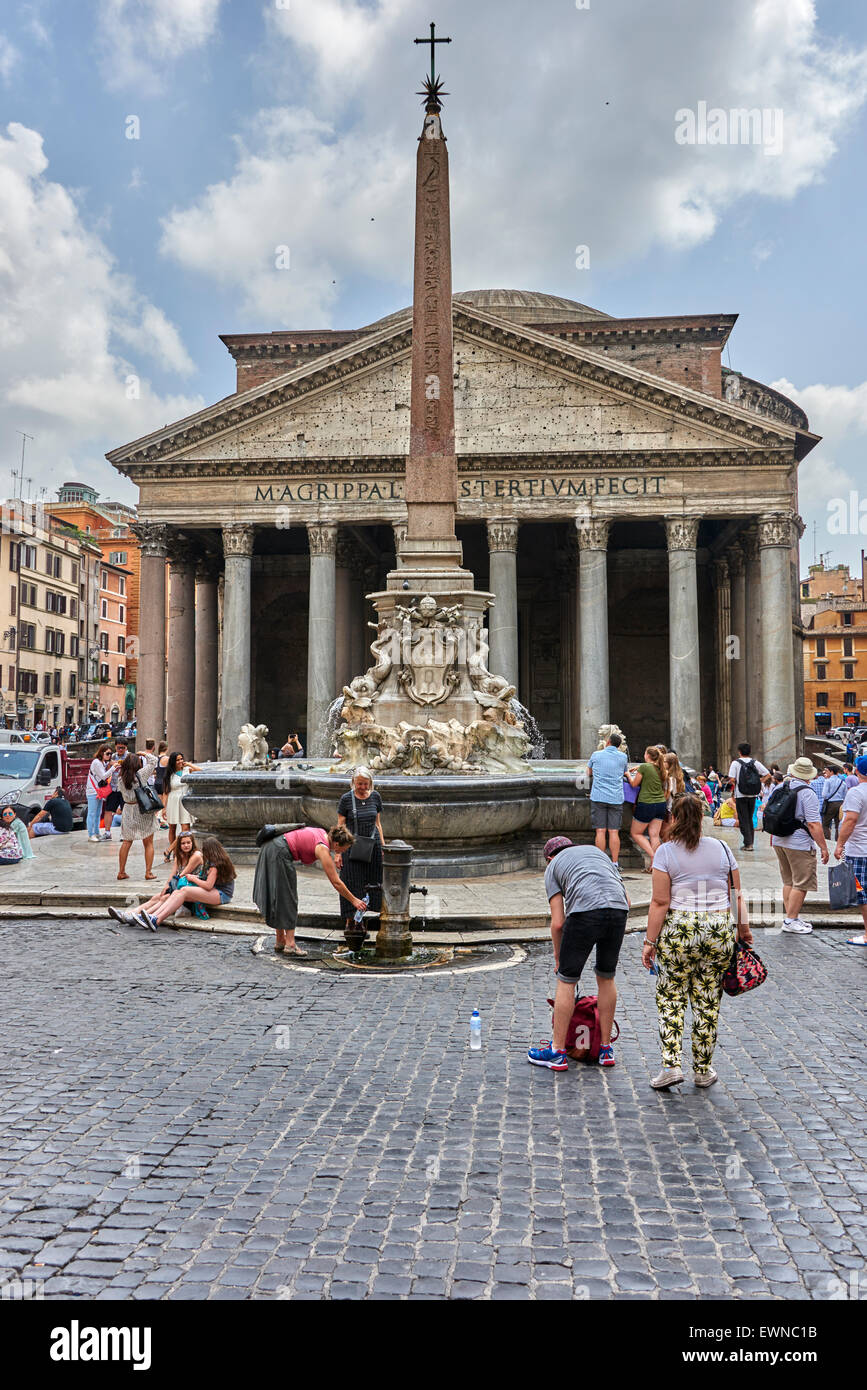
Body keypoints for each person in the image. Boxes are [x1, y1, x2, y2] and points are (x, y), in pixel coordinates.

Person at [642, 793, 752, 1090]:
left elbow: (660, 902)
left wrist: (650, 941)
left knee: (671, 997)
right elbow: (736, 895)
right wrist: (745, 931)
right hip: (718, 929)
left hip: (681, 929)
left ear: (673, 819)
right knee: (707, 1000)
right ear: (703, 818)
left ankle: (671, 1065)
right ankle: (703, 1070)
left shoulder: (665, 853)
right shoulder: (721, 848)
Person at [527, 835, 630, 1072]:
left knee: (567, 980)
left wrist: (558, 956)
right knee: (606, 977)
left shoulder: (553, 866)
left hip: (585, 913)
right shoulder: (598, 854)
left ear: (549, 858)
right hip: (618, 910)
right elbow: (627, 898)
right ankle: (605, 1050)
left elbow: (558, 923)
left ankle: (557, 1052)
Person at [253, 823, 362, 955]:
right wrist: (354, 900)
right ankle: (290, 944)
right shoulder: (323, 849)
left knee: (280, 895)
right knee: (288, 898)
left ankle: (281, 939)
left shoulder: (322, 832)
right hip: (279, 852)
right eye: (344, 849)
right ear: (337, 845)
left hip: (273, 846)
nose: (344, 852)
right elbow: (336, 882)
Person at [767, 756, 829, 934]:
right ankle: (791, 919)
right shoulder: (807, 792)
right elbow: (813, 824)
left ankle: (790, 916)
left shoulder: (781, 786)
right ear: (809, 774)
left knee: (788, 881)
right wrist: (823, 847)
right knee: (801, 883)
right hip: (799, 843)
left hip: (779, 840)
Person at [133, 836, 236, 931]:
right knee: (177, 892)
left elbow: (208, 886)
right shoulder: (213, 861)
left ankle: (157, 920)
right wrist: (196, 877)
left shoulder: (215, 865)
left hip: (222, 894)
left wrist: (193, 878)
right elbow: (208, 881)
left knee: (185, 890)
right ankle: (153, 916)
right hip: (215, 890)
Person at [108, 832, 203, 925]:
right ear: (179, 845)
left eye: (188, 843)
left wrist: (169, 889)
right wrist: (166, 886)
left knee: (165, 897)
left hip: (191, 891)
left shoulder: (196, 856)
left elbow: (181, 875)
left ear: (192, 843)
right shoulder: (179, 856)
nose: (186, 845)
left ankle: (138, 916)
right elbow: (173, 874)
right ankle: (129, 914)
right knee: (157, 897)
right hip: (180, 888)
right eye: (183, 843)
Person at [336, 767, 385, 934]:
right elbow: (340, 826)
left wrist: (383, 846)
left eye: (365, 784)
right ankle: (351, 922)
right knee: (352, 881)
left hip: (373, 845)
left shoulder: (376, 797)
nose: (362, 787)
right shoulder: (346, 799)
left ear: (370, 783)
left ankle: (364, 919)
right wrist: (338, 852)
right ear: (353, 783)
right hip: (351, 846)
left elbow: (378, 824)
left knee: (372, 882)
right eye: (359, 784)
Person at [834, 753, 867, 946]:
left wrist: (839, 844)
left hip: (860, 849)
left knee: (863, 895)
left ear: (857, 771)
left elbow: (850, 820)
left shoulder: (856, 792)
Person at [117, 751, 159, 882]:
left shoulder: (120, 779)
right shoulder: (140, 775)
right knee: (148, 843)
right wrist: (144, 753)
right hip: (142, 809)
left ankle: (121, 871)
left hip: (128, 809)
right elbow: (154, 761)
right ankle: (148, 872)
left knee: (126, 842)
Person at [587, 731, 627, 865]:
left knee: (600, 830)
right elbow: (624, 772)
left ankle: (601, 862)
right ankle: (615, 863)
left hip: (599, 796)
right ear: (618, 745)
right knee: (614, 831)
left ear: (608, 742)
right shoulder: (623, 757)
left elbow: (588, 773)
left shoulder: (596, 755)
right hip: (616, 797)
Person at [626, 746, 668, 870]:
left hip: (646, 804)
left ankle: (653, 856)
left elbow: (634, 784)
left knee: (636, 833)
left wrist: (628, 774)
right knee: (654, 835)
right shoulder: (661, 768)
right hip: (660, 804)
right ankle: (655, 865)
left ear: (647, 756)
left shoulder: (644, 767)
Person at [727, 742, 769, 852]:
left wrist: (738, 783)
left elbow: (731, 778)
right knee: (749, 818)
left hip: (740, 795)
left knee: (743, 819)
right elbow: (767, 774)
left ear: (739, 752)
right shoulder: (755, 763)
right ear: (750, 751)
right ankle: (750, 842)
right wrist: (759, 783)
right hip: (753, 794)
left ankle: (748, 843)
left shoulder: (735, 763)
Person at [163, 752, 199, 853]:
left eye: (181, 759)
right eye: (177, 760)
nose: (180, 761)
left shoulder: (188, 770)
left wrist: (189, 764)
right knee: (172, 828)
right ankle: (175, 852)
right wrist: (164, 808)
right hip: (172, 801)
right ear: (173, 762)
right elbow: (165, 792)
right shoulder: (169, 774)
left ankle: (169, 850)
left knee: (185, 829)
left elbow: (202, 771)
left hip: (185, 801)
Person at [85, 743, 112, 842]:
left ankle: (96, 833)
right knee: (92, 813)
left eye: (110, 754)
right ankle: (91, 834)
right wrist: (113, 768)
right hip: (93, 791)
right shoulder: (96, 762)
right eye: (107, 753)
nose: (109, 756)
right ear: (102, 753)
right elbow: (103, 776)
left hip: (98, 791)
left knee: (97, 813)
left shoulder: (102, 762)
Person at [820, 766, 848, 843]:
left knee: (825, 824)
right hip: (840, 803)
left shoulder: (827, 781)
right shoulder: (842, 782)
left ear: (831, 772)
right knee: (838, 825)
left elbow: (824, 795)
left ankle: (827, 841)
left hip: (830, 804)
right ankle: (838, 841)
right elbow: (845, 795)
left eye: (827, 771)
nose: (826, 772)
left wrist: (829, 797)